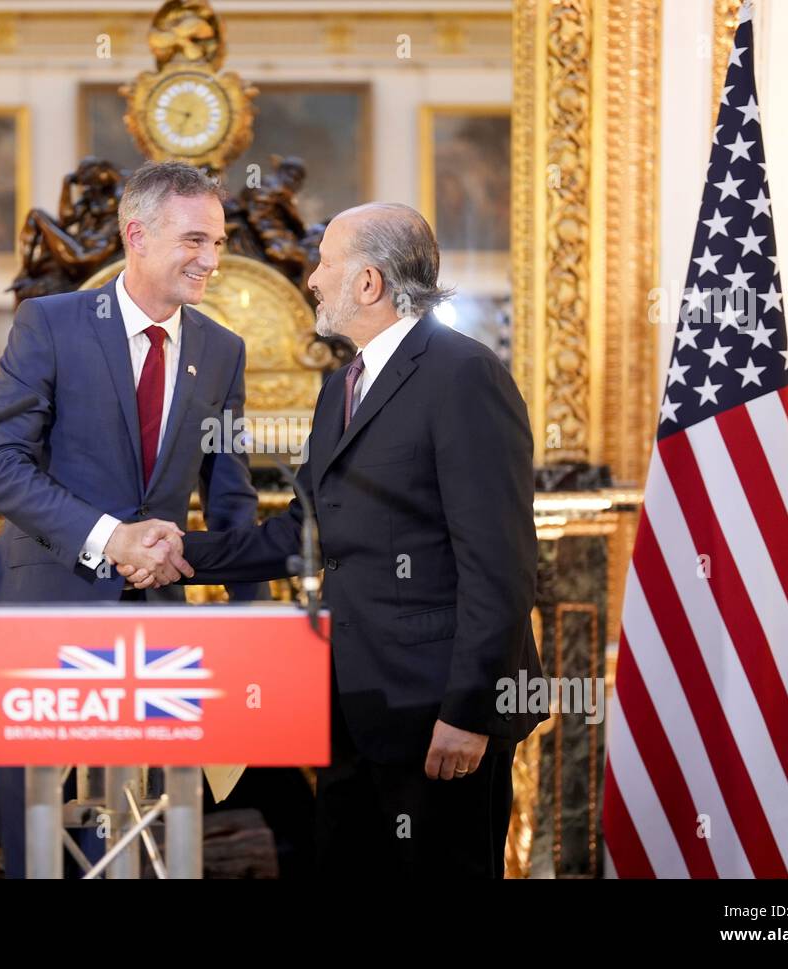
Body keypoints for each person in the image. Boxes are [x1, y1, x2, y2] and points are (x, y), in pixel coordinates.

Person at [124, 202, 547, 879]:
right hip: (352, 711)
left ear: (371, 282)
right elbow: (302, 533)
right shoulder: (338, 388)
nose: (312, 279)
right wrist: (174, 552)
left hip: (438, 711)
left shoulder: (463, 375)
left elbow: (501, 562)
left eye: (324, 264)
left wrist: (470, 712)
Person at [0, 160, 265, 877]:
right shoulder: (51, 323)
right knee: (42, 845)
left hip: (159, 639)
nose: (211, 259)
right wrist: (112, 537)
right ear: (137, 234)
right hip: (43, 620)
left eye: (219, 243)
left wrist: (256, 628)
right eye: (195, 240)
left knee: (140, 846)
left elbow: (231, 496)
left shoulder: (222, 351)